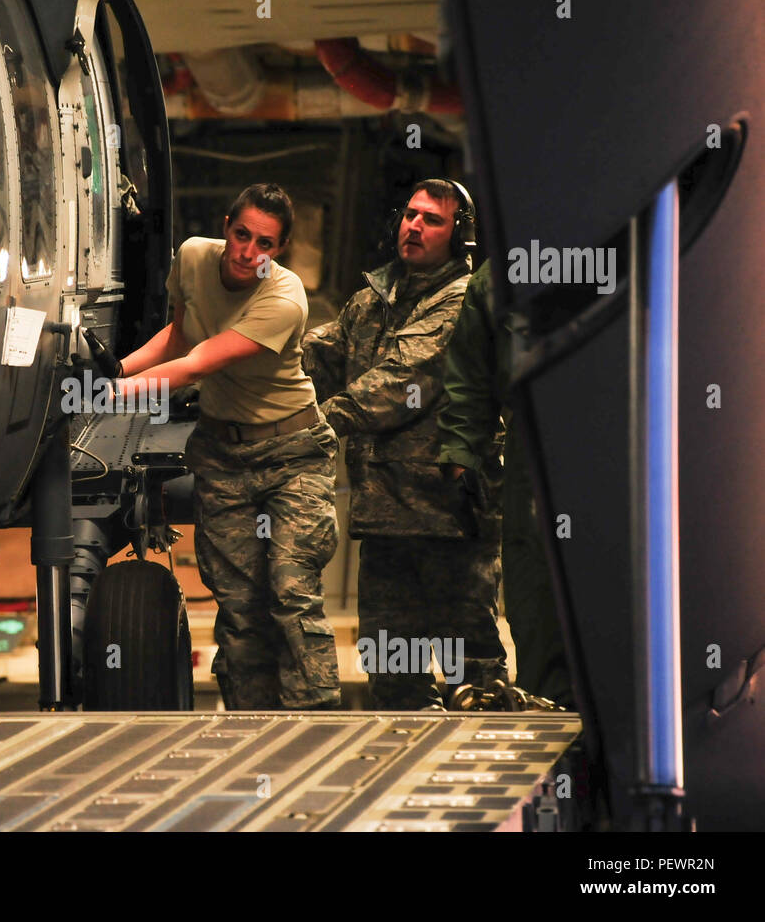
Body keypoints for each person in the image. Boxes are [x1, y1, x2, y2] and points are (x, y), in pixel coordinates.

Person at [116, 183, 341, 710]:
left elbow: (197, 364)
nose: (248, 253)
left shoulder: (283, 298)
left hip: (293, 455)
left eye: (264, 244)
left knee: (291, 594)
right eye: (242, 235)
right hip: (222, 456)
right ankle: (252, 728)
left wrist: (109, 394)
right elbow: (179, 337)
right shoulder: (193, 258)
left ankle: (318, 724)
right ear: (226, 227)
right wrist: (117, 369)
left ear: (278, 250)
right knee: (239, 609)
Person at [302, 179, 507, 710]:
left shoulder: (463, 301)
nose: (413, 227)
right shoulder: (374, 298)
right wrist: (242, 354)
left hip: (447, 516)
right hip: (385, 518)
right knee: (395, 684)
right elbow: (316, 353)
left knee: (475, 682)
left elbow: (399, 383)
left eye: (431, 220)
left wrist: (311, 426)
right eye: (410, 215)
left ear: (460, 237)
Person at [437, 260, 574, 707]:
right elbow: (470, 380)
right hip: (532, 446)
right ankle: (554, 739)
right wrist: (461, 459)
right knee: (535, 596)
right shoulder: (499, 278)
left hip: (632, 441)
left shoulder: (644, 245)